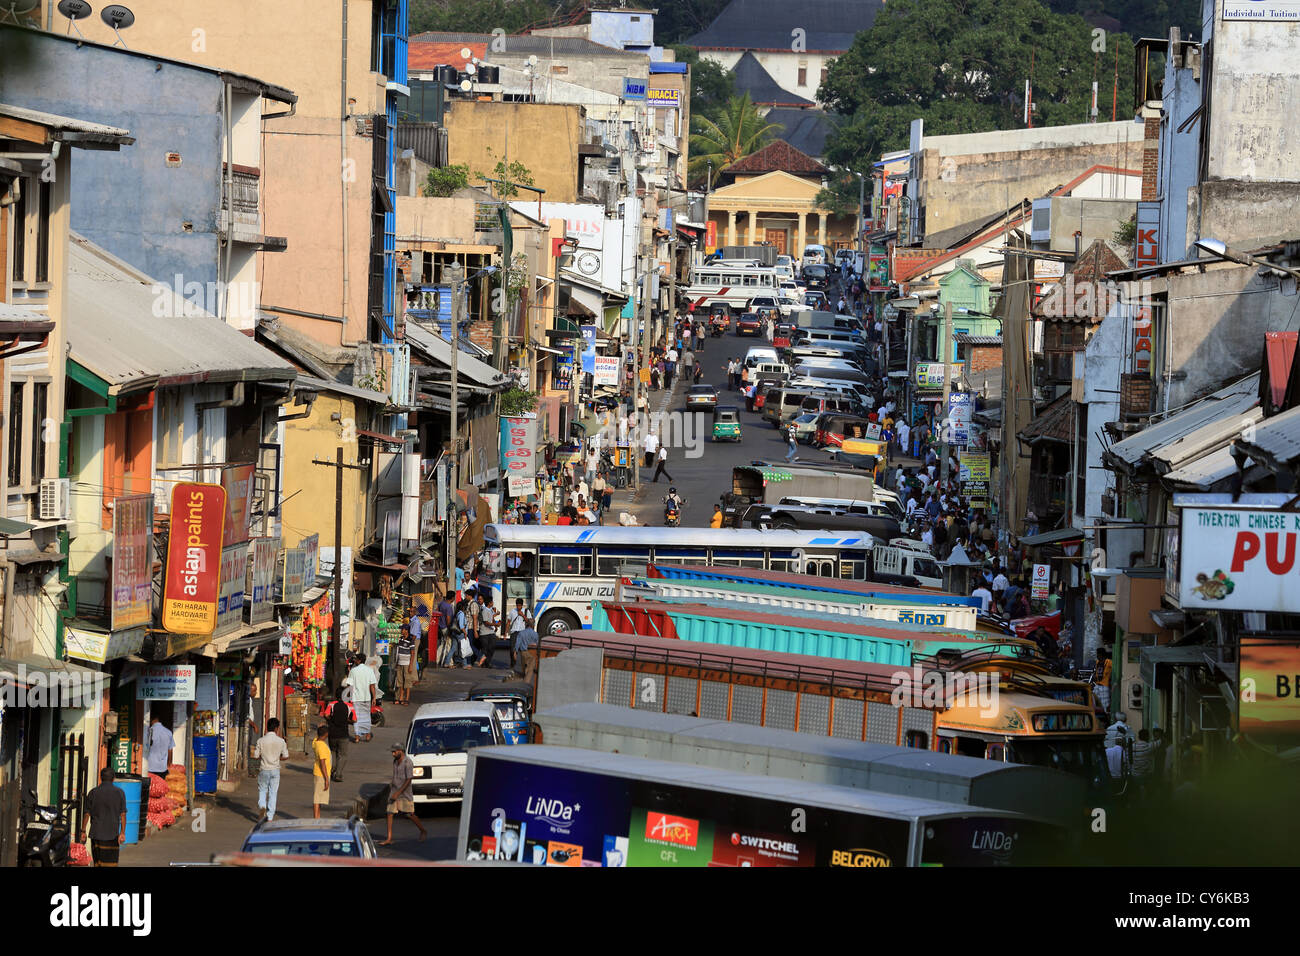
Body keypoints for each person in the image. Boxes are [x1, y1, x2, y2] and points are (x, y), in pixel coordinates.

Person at [380, 742, 427, 845]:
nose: (393, 754)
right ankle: (389, 838)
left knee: (410, 814)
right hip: (394, 791)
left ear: (400, 751)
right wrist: (394, 791)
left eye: (394, 752)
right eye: (392, 752)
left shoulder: (408, 763)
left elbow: (409, 779)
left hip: (405, 793)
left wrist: (398, 793)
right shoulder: (395, 761)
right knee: (389, 813)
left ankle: (423, 831)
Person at [80, 767, 127, 867]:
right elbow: (123, 814)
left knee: (98, 863)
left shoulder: (93, 792)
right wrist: (122, 833)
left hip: (97, 834)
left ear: (101, 778)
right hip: (112, 835)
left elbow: (87, 814)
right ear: (113, 778)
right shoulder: (120, 793)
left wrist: (83, 831)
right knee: (111, 863)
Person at [323, 688, 355, 781]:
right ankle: (338, 774)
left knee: (333, 752)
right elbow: (354, 720)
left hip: (332, 733)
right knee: (343, 755)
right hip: (343, 734)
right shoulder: (349, 706)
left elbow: (326, 715)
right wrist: (346, 720)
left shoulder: (331, 704)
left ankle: (332, 769)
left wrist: (331, 720)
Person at [348, 655, 378, 741]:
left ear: (359, 660)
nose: (355, 661)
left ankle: (357, 737)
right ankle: (367, 735)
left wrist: (350, 697)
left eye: (356, 659)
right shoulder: (369, 670)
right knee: (366, 716)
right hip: (366, 697)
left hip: (356, 698)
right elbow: (372, 685)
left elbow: (350, 685)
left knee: (356, 717)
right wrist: (374, 698)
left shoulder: (353, 671)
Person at [507, 598, 533, 672]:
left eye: (519, 605)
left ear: (522, 605)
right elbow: (508, 622)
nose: (518, 607)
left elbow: (530, 622)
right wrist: (506, 633)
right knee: (512, 649)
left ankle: (523, 666)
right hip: (514, 632)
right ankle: (513, 663)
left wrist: (523, 615)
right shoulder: (512, 611)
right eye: (517, 605)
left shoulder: (526, 611)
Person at [146, 713, 174, 781]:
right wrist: (169, 765)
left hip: (150, 767)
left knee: (151, 788)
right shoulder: (168, 732)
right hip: (162, 768)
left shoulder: (148, 731)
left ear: (151, 719)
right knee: (161, 789)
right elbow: (170, 751)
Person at [311, 724, 332, 819]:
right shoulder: (321, 746)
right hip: (321, 774)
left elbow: (316, 737)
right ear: (326, 734)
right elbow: (322, 763)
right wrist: (326, 779)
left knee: (319, 798)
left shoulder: (316, 742)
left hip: (318, 773)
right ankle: (316, 818)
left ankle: (318, 817)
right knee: (317, 799)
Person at [393, 624, 417, 705]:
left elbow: (413, 653)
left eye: (402, 629)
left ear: (406, 630)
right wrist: (396, 663)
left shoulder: (411, 640)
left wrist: (411, 666)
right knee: (400, 681)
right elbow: (398, 651)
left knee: (407, 682)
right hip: (400, 663)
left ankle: (406, 699)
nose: (401, 631)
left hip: (407, 664)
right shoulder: (400, 639)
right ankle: (400, 697)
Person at [475, 595, 499, 668]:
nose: (493, 603)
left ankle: (487, 662)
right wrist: (495, 624)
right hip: (485, 633)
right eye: (492, 602)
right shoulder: (485, 610)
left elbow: (491, 619)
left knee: (492, 648)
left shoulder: (490, 610)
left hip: (491, 632)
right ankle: (483, 662)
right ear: (489, 603)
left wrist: (495, 626)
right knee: (485, 649)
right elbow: (486, 622)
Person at [513, 617, 539, 681]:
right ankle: (526, 684)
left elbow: (517, 643)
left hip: (523, 653)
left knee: (524, 668)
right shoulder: (535, 634)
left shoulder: (521, 633)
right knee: (530, 670)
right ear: (533, 625)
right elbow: (537, 645)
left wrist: (515, 652)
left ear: (527, 624)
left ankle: (524, 679)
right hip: (532, 653)